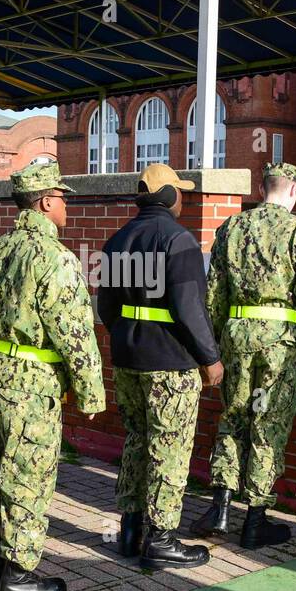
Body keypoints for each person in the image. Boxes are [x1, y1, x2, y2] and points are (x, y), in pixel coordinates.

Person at [0, 157, 105, 591]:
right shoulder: (56, 258)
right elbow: (75, 331)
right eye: (63, 198)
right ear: (46, 202)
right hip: (31, 379)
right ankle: (20, 572)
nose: (67, 206)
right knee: (27, 473)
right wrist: (90, 392)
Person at [192, 162, 296, 549]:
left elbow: (213, 295)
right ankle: (255, 519)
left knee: (232, 418)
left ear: (263, 188)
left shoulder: (232, 228)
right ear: (293, 192)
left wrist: (214, 346)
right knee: (267, 424)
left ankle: (219, 507)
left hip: (236, 337)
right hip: (277, 343)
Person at [97, 164, 219, 569]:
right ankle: (163, 539)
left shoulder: (117, 241)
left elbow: (107, 307)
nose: (183, 198)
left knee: (136, 440)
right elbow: (189, 309)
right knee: (169, 447)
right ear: (167, 197)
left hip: (128, 359)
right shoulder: (178, 240)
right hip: (170, 362)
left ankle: (130, 530)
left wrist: (129, 335)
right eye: (179, 192)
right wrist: (210, 357)